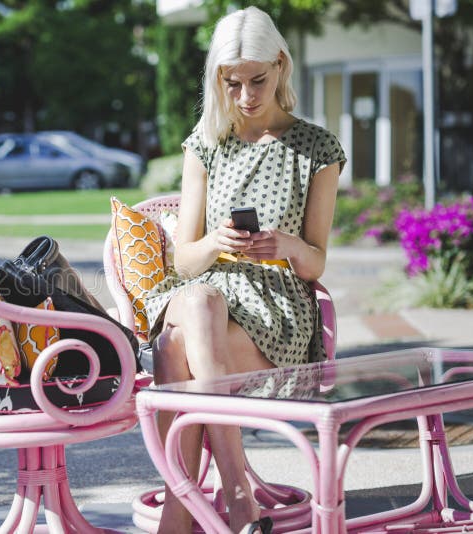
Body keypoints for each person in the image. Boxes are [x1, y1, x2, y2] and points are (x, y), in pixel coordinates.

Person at [142, 6, 346, 534]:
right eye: (232, 84)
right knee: (199, 301)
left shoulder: (317, 149)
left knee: (171, 349)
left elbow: (317, 261)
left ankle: (179, 512)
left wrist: (286, 245)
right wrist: (213, 242)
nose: (246, 96)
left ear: (281, 65)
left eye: (257, 80)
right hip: (205, 294)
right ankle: (238, 502)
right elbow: (183, 260)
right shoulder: (206, 143)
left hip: (277, 308)